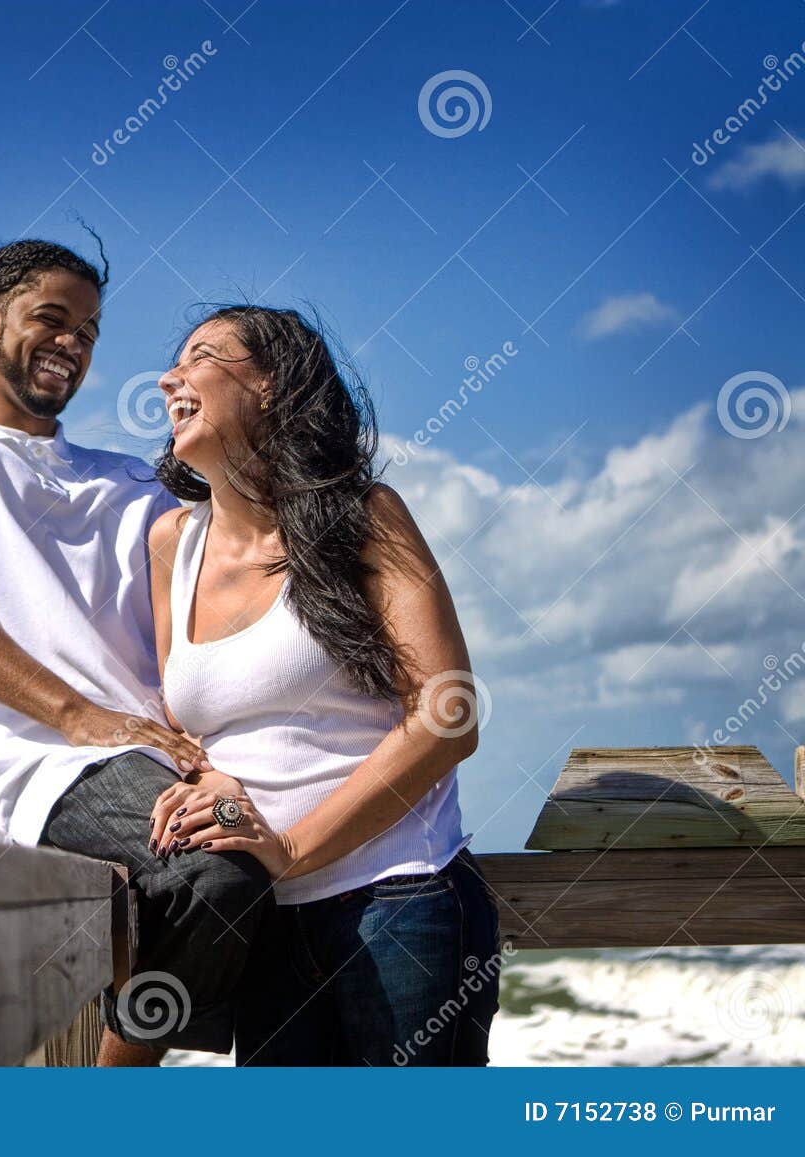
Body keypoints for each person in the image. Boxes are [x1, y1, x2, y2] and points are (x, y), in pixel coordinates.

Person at [0, 240, 269, 1065]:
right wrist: (81, 717)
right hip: (51, 770)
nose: (72, 343)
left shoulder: (135, 482)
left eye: (88, 330)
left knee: (294, 890)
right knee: (217, 875)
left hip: (175, 756)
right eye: (52, 318)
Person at [143, 305, 501, 1066]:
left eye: (202, 356)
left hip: (398, 900)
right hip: (265, 916)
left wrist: (293, 847)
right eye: (172, 364)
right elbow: (189, 725)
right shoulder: (171, 541)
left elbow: (448, 715)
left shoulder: (364, 516)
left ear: (270, 385)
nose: (170, 378)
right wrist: (207, 781)